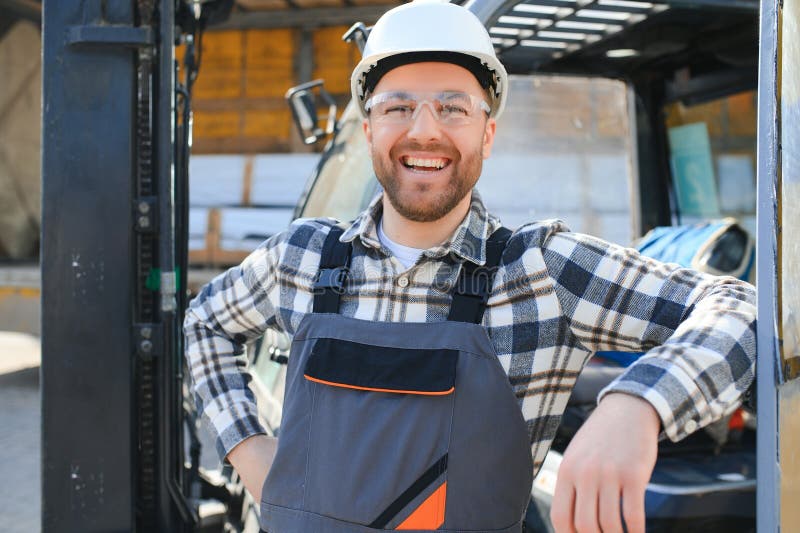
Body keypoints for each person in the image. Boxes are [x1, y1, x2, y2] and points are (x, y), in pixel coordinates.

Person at [184, 2, 756, 532]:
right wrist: (248, 450)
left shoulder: (542, 273)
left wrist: (640, 402)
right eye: (399, 107)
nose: (425, 129)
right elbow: (204, 322)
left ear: (487, 132)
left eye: (453, 107)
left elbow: (740, 308)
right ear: (370, 131)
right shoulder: (303, 258)